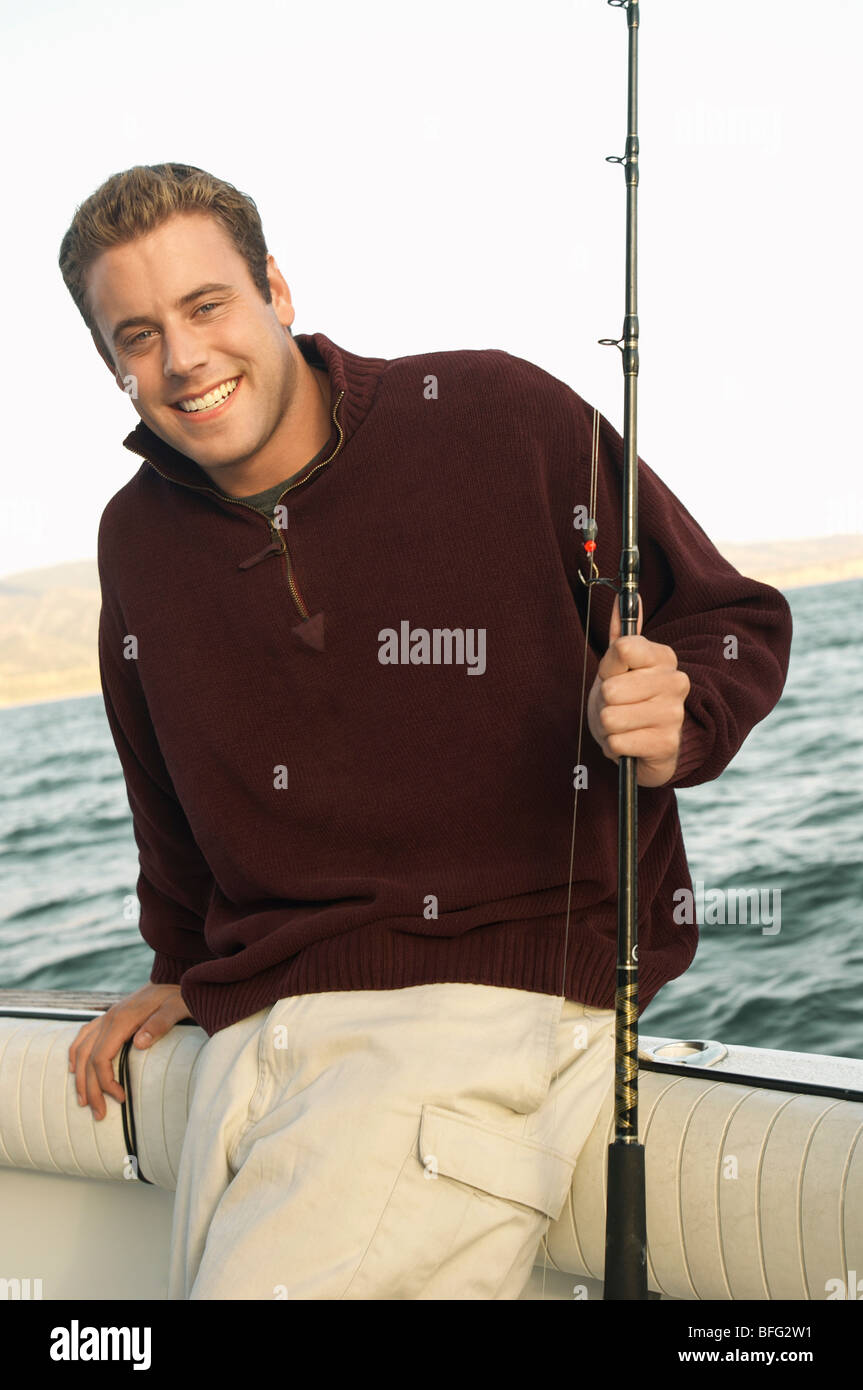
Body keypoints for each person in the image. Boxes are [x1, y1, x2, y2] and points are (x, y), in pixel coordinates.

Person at [62, 163, 792, 1300]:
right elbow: (158, 776)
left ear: (277, 291)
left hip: (481, 1011)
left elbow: (728, 620)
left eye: (206, 308)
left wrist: (680, 713)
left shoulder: (498, 415)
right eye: (139, 335)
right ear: (115, 364)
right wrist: (178, 965)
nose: (184, 360)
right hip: (257, 1039)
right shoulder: (134, 538)